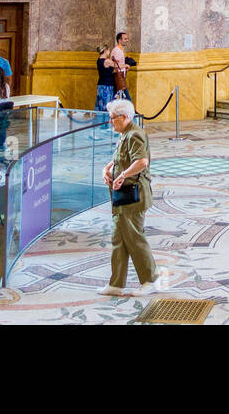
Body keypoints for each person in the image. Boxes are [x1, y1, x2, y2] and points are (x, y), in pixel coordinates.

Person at [99, 99, 158, 296]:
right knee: (119, 238)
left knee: (134, 238)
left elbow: (141, 161)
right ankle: (116, 283)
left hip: (133, 196)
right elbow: (122, 158)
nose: (111, 122)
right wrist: (108, 168)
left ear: (124, 117)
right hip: (121, 197)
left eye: (113, 118)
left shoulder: (135, 135)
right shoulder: (125, 133)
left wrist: (122, 175)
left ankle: (151, 280)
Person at [111, 31, 137, 99]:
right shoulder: (117, 51)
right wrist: (126, 65)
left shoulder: (119, 50)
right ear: (119, 40)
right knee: (127, 100)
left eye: (127, 39)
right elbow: (115, 65)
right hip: (119, 78)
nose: (127, 40)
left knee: (117, 98)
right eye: (125, 39)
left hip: (120, 77)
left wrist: (125, 67)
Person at [95, 45, 117, 112]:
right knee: (107, 105)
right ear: (105, 51)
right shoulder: (107, 61)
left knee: (100, 105)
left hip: (101, 85)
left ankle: (100, 120)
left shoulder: (99, 60)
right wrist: (127, 65)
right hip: (107, 86)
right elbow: (117, 66)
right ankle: (105, 121)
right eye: (109, 50)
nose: (109, 52)